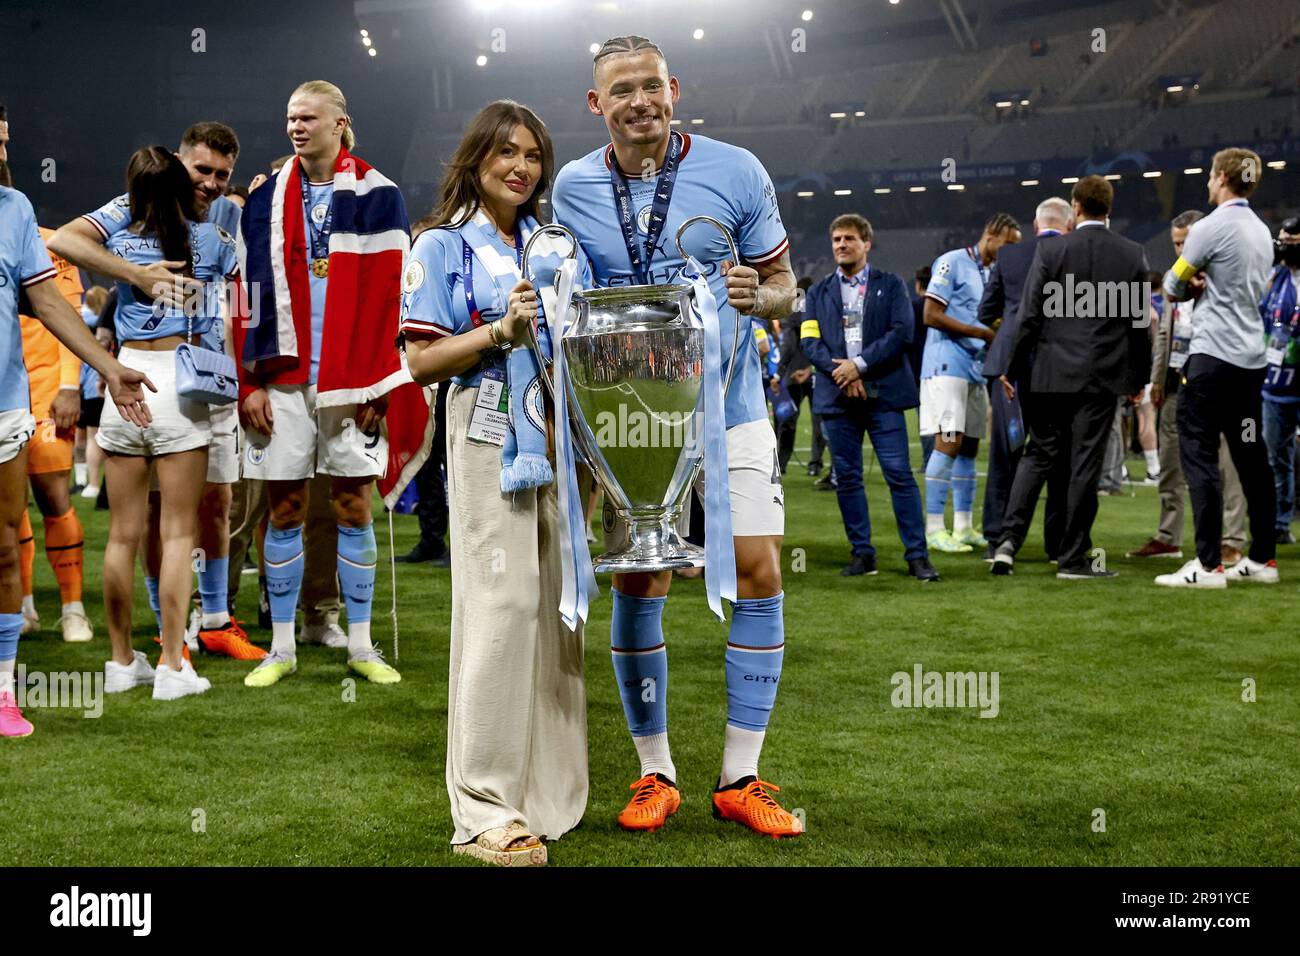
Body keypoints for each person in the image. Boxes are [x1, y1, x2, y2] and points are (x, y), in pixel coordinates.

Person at [552, 35, 803, 839]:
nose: (639, 102)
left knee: (760, 571)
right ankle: (654, 770)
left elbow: (786, 287)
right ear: (598, 105)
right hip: (633, 419)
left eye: (651, 86)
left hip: (731, 407)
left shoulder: (738, 169)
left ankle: (741, 775)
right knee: (639, 581)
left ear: (675, 89)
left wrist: (761, 299)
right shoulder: (574, 186)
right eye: (621, 90)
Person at [402, 100, 586, 866]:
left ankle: (546, 793)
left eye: (534, 156)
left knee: (556, 610)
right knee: (501, 604)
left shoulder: (556, 243)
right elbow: (417, 362)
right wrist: (496, 334)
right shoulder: (441, 245)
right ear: (476, 158)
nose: (521, 166)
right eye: (506, 152)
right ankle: (483, 807)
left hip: (558, 431)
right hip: (486, 425)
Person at [50, 121, 262, 660]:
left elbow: (240, 306)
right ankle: (169, 640)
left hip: (206, 374)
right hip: (164, 375)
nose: (213, 184)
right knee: (159, 519)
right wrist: (138, 275)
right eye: (202, 170)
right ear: (177, 162)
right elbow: (65, 240)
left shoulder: (229, 215)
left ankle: (210, 620)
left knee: (213, 503)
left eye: (223, 175)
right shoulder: (135, 206)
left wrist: (243, 378)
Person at [236, 81, 414, 686]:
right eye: (290, 117)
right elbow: (245, 295)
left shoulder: (379, 193)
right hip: (281, 376)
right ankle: (281, 647)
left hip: (353, 379)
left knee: (352, 506)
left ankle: (360, 646)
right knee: (283, 509)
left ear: (341, 122)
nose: (297, 127)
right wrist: (246, 383)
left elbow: (394, 296)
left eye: (308, 117)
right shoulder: (261, 199)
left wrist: (383, 383)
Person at [89, 145, 242, 700]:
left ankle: (121, 661)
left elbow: (62, 240)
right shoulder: (209, 240)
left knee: (122, 535)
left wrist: (130, 271)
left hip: (123, 378)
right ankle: (174, 665)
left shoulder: (116, 239)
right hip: (179, 382)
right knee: (179, 532)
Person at [1, 174, 153, 733]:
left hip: (36, 394)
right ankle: (24, 611)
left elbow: (56, 311)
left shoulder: (33, 231)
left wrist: (76, 383)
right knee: (11, 517)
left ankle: (68, 608)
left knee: (52, 497)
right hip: (13, 389)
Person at [991, 175, 1149, 579]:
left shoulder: (1054, 251)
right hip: (1100, 378)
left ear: (1075, 207)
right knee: (1084, 464)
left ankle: (1007, 543)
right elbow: (1136, 325)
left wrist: (1011, 366)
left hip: (1048, 373)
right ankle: (1072, 557)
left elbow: (1028, 315)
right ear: (1108, 208)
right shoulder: (1131, 254)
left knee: (1037, 455)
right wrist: (1139, 379)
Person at [1155, 149, 1278, 587]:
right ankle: (1263, 559)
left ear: (1223, 177)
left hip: (1211, 363)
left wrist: (1192, 281)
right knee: (1250, 457)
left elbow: (1172, 284)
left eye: (1210, 174)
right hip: (1250, 364)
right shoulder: (1263, 232)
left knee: (1200, 454)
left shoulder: (1208, 228)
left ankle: (1208, 565)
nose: (1207, 182)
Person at [801, 213, 938, 582]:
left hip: (884, 395)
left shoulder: (891, 285)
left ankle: (917, 556)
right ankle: (862, 554)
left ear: (866, 244)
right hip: (838, 397)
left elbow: (901, 333)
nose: (841, 245)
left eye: (848, 238)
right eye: (836, 240)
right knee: (847, 478)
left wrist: (858, 366)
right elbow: (809, 341)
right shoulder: (817, 291)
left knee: (899, 475)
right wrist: (842, 373)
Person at [1127, 211, 1249, 562]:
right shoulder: (1174, 277)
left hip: (1218, 377)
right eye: (1177, 243)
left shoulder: (1224, 274)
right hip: (1177, 382)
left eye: (1186, 242)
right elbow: (1164, 333)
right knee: (1170, 463)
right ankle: (1169, 536)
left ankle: (1232, 539)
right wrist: (1155, 379)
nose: (1181, 249)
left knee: (1226, 463)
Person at [920, 212, 1021, 554]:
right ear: (990, 234)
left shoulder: (994, 271)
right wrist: (981, 332)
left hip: (977, 368)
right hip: (946, 364)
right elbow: (930, 314)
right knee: (948, 441)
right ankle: (934, 527)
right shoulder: (952, 263)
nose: (1009, 253)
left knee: (970, 447)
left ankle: (963, 525)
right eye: (1007, 245)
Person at [981, 198, 1071, 561]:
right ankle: (1057, 544)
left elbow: (985, 311)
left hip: (1008, 368)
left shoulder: (1009, 256)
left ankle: (997, 541)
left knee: (1006, 454)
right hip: (1060, 367)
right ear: (1069, 224)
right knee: (1060, 455)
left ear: (1035, 225)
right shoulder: (1074, 253)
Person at [1260, 217, 1300, 546]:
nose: (1283, 246)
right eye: (1281, 239)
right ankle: (1280, 523)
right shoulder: (1274, 278)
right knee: (1276, 458)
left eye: (1291, 240)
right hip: (1275, 384)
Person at [774, 277, 824, 476]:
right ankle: (815, 464)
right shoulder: (819, 305)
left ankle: (782, 462)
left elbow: (788, 344)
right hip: (817, 370)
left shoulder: (793, 309)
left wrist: (779, 371)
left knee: (786, 419)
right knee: (818, 420)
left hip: (792, 372)